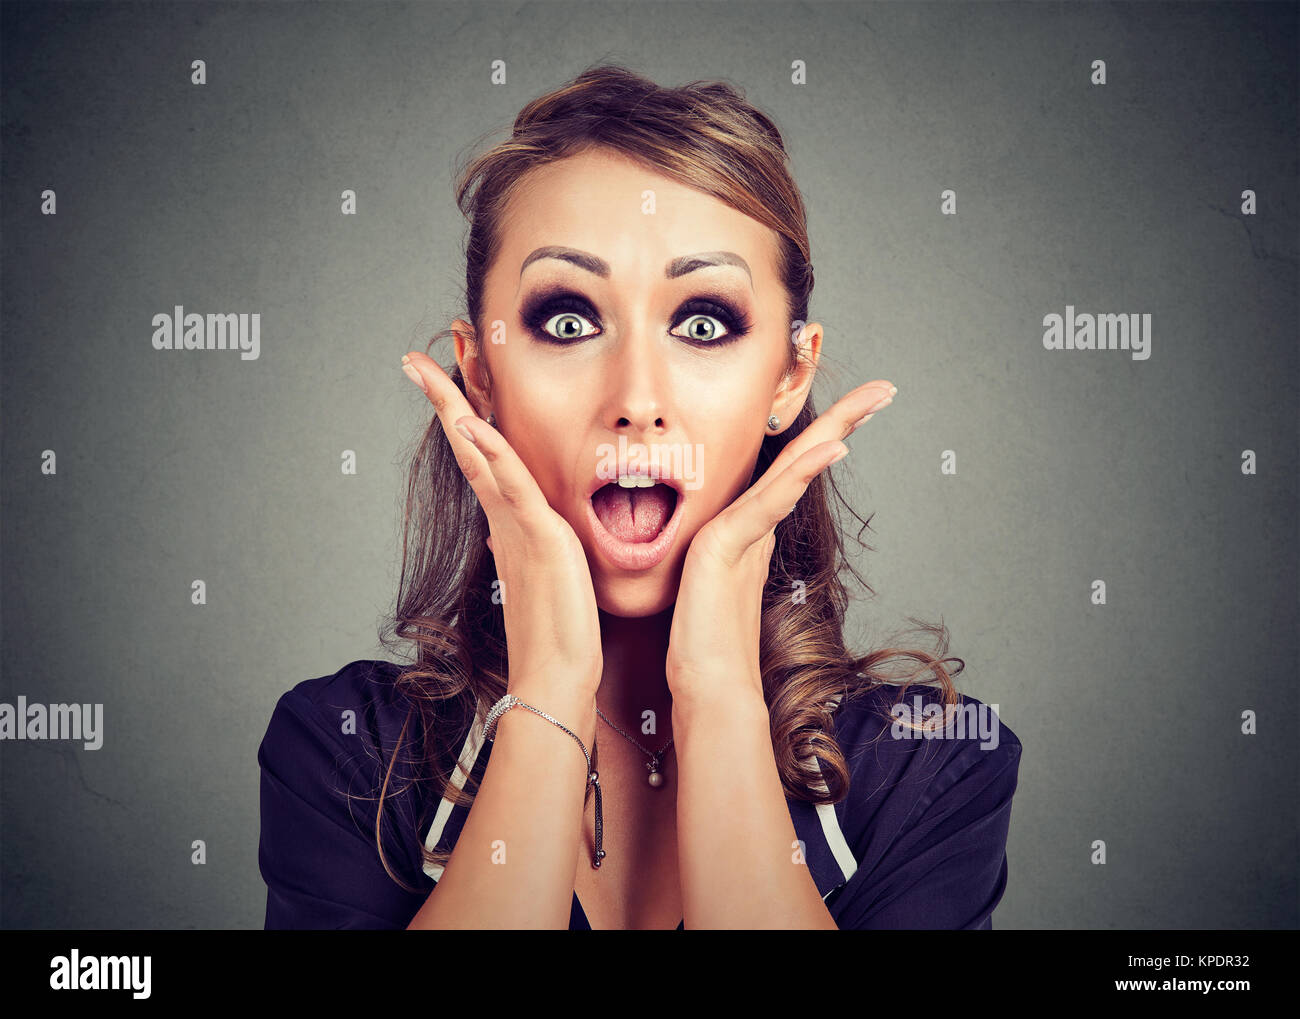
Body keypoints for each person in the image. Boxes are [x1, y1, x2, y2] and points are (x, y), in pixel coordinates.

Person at [258, 64, 1022, 930]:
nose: (636, 396)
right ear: (479, 376)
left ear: (789, 375)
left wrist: (718, 691)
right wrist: (550, 684)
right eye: (568, 320)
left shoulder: (927, 769)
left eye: (702, 322)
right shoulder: (345, 754)